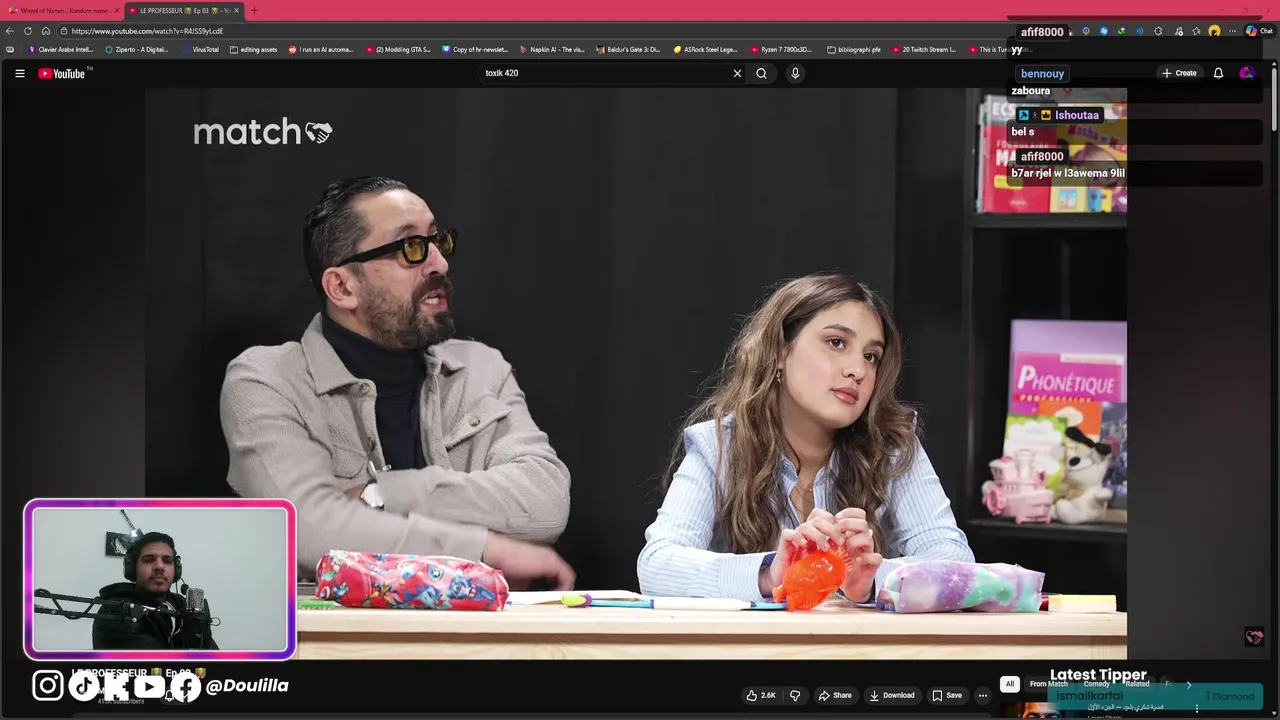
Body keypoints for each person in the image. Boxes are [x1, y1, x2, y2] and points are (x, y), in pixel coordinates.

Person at [221, 176, 574, 588]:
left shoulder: (481, 368)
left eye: (437, 241)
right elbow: (310, 530)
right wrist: (484, 548)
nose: (440, 263)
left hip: (472, 626)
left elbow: (546, 501)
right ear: (342, 287)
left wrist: (385, 494)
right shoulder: (266, 381)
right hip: (334, 629)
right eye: (411, 248)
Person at [636, 274, 973, 602]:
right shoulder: (719, 445)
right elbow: (657, 565)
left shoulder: (892, 447)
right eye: (836, 343)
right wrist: (770, 574)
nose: (858, 370)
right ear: (780, 352)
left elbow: (957, 564)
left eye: (871, 356)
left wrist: (870, 579)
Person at [92, 532, 219, 650]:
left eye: (167, 561)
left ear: (176, 569)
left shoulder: (180, 603)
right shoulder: (115, 611)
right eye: (149, 560)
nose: (159, 566)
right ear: (133, 568)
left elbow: (214, 655)